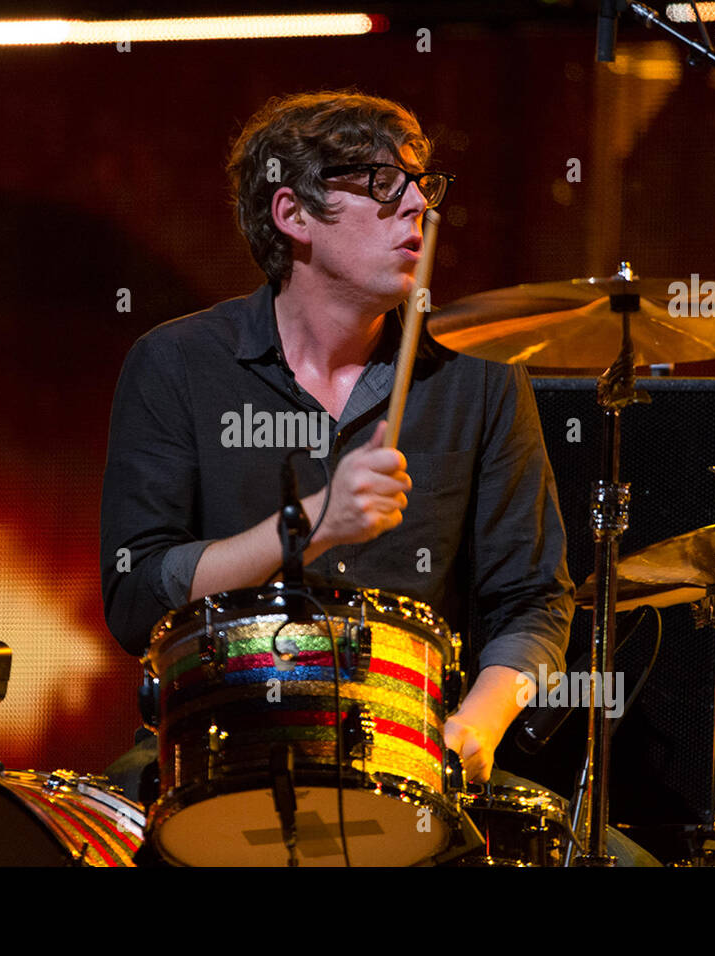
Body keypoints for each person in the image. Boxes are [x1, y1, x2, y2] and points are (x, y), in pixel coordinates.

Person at [99, 90, 657, 866]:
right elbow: (136, 597)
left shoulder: (482, 377)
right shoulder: (176, 365)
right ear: (293, 213)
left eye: (426, 184)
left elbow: (533, 599)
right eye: (383, 185)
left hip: (412, 759)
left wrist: (479, 725)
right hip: (213, 760)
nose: (419, 207)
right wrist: (312, 523)